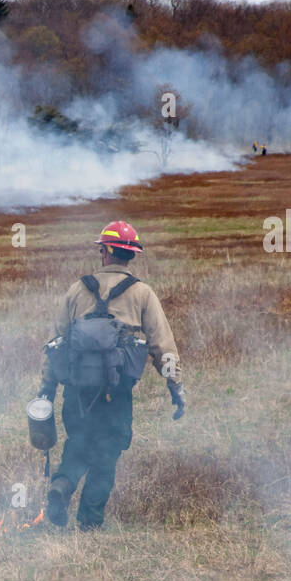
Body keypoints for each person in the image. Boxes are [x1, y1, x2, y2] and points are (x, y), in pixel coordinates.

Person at [35, 221, 185, 529]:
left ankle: (61, 487)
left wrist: (46, 390)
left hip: (76, 390)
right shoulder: (142, 293)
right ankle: (89, 523)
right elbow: (163, 347)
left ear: (104, 252)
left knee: (79, 441)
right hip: (116, 394)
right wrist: (176, 387)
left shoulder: (77, 289)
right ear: (131, 256)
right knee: (106, 454)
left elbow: (56, 344)